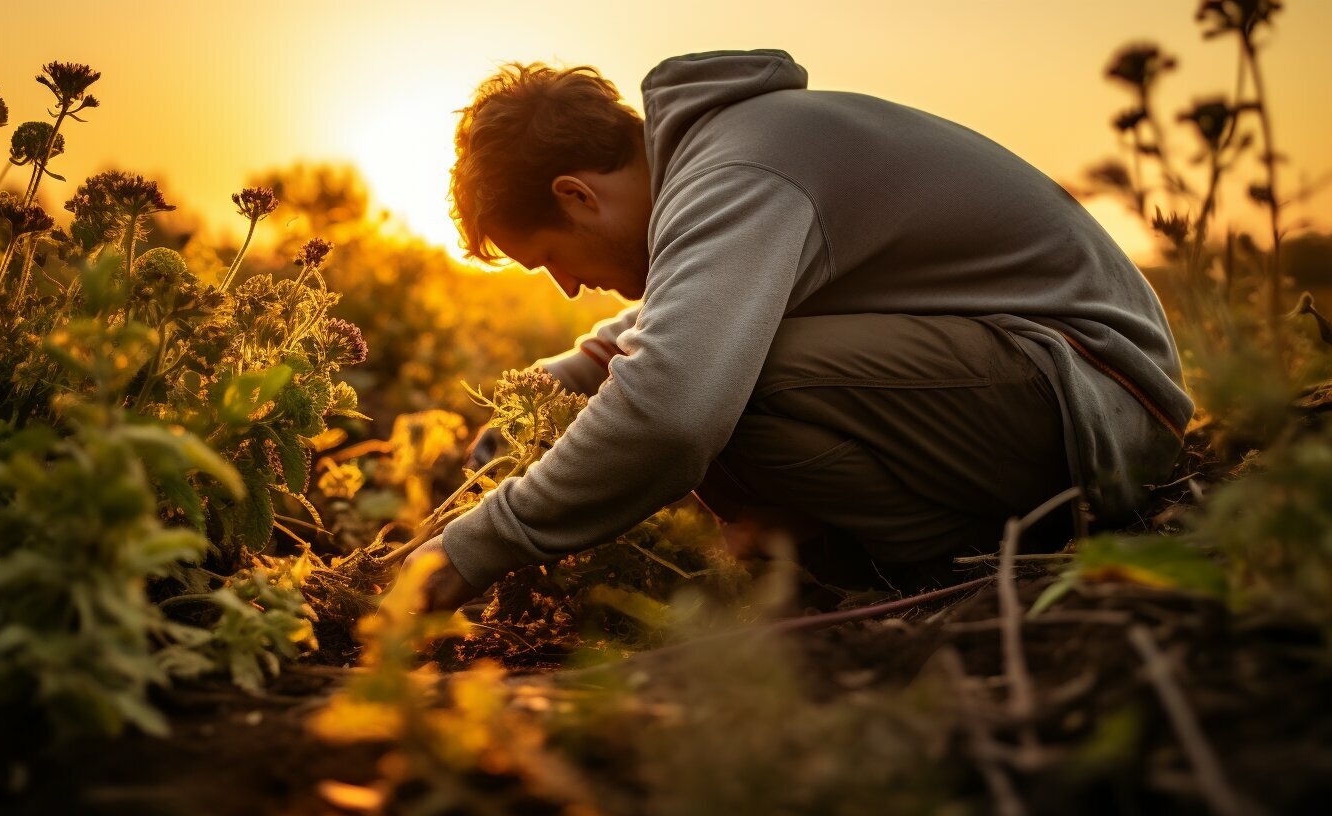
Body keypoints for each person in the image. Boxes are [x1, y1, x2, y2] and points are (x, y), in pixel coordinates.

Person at [388, 48, 1192, 614]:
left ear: (576, 196)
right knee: (713, 362)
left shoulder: (735, 172)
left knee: (720, 383)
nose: (567, 286)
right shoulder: (724, 160)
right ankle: (909, 558)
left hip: (1092, 392)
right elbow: (691, 304)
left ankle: (939, 566)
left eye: (549, 261)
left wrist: (470, 549)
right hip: (1068, 388)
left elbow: (673, 406)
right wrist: (558, 377)